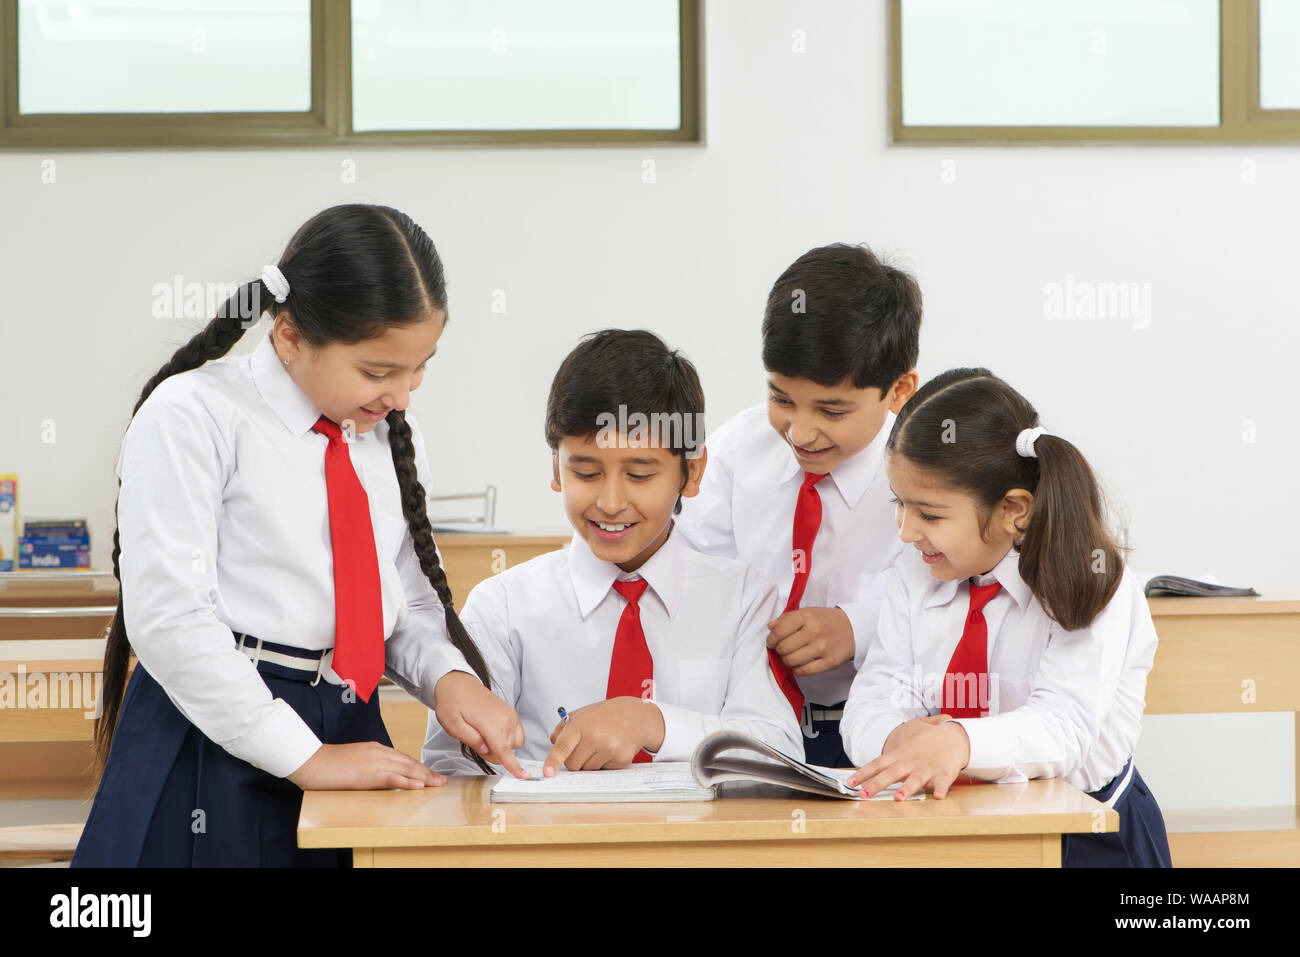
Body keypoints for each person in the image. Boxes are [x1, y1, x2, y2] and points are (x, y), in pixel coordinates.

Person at [73, 204, 525, 868]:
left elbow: (401, 599)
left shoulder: (385, 434)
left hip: (346, 722)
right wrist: (305, 757)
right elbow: (170, 618)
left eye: (419, 366)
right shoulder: (193, 416)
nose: (402, 395)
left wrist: (450, 677)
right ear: (288, 334)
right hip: (213, 729)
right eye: (377, 371)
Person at [422, 329, 801, 775]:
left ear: (691, 472)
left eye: (640, 475)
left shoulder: (742, 599)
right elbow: (450, 763)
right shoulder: (503, 608)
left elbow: (780, 747)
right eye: (585, 472)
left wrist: (653, 722)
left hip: (693, 841)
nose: (611, 502)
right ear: (556, 469)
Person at [842, 367, 1172, 867]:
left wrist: (957, 741)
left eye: (929, 515)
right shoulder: (915, 572)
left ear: (1013, 509)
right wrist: (896, 736)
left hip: (1083, 838)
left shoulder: (1091, 583)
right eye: (899, 504)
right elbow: (876, 689)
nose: (906, 532)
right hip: (953, 833)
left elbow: (1063, 728)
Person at [675, 243, 921, 766]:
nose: (801, 432)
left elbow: (959, 599)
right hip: (749, 728)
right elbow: (693, 567)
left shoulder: (930, 479)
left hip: (881, 738)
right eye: (781, 399)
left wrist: (859, 627)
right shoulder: (738, 450)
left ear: (898, 391)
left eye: (831, 410)